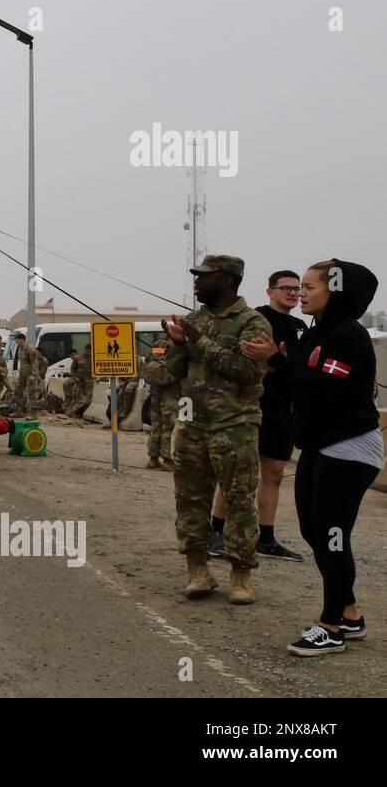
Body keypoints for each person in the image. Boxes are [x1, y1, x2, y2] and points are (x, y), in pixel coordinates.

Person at [243, 260, 381, 657]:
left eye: (310, 286)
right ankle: (350, 614)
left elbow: (324, 390)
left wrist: (277, 363)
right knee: (313, 532)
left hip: (350, 447)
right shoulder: (315, 334)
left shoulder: (348, 336)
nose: (301, 293)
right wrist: (273, 363)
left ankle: (331, 625)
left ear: (335, 290)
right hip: (319, 445)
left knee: (334, 537)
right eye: (299, 286)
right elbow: (294, 388)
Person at [161, 255, 269, 604]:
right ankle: (198, 570)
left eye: (204, 277)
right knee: (190, 500)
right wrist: (179, 344)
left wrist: (200, 343)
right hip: (193, 424)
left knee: (239, 501)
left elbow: (249, 371)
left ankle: (241, 575)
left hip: (234, 426)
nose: (196, 282)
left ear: (228, 280)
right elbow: (171, 373)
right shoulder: (193, 321)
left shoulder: (252, 323)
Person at [209, 270, 307, 561]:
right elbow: (253, 360)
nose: (292, 293)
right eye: (285, 288)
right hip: (252, 408)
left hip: (284, 411)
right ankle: (216, 531)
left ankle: (266, 537)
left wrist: (283, 363)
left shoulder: (301, 326)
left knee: (274, 475)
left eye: (297, 288)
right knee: (238, 474)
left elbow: (298, 369)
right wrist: (279, 361)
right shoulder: (255, 320)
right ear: (270, 291)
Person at [141, 333, 179, 470]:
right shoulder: (177, 346)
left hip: (156, 391)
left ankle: (153, 458)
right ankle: (168, 459)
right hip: (172, 391)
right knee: (169, 423)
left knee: (156, 424)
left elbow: (147, 363)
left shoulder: (157, 346)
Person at [11, 333, 47, 417]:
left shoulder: (31, 349)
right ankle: (19, 411)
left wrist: (34, 375)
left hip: (30, 375)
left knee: (31, 393)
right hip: (22, 374)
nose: (17, 343)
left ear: (22, 340)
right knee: (17, 391)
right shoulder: (20, 349)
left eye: (17, 341)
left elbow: (35, 362)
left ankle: (33, 413)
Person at [66, 344, 95, 418]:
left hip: (88, 381)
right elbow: (73, 369)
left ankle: (77, 412)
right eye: (88, 351)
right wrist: (75, 377)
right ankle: (73, 411)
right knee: (81, 397)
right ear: (86, 350)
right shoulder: (79, 359)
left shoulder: (92, 357)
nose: (89, 352)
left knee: (86, 398)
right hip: (81, 381)